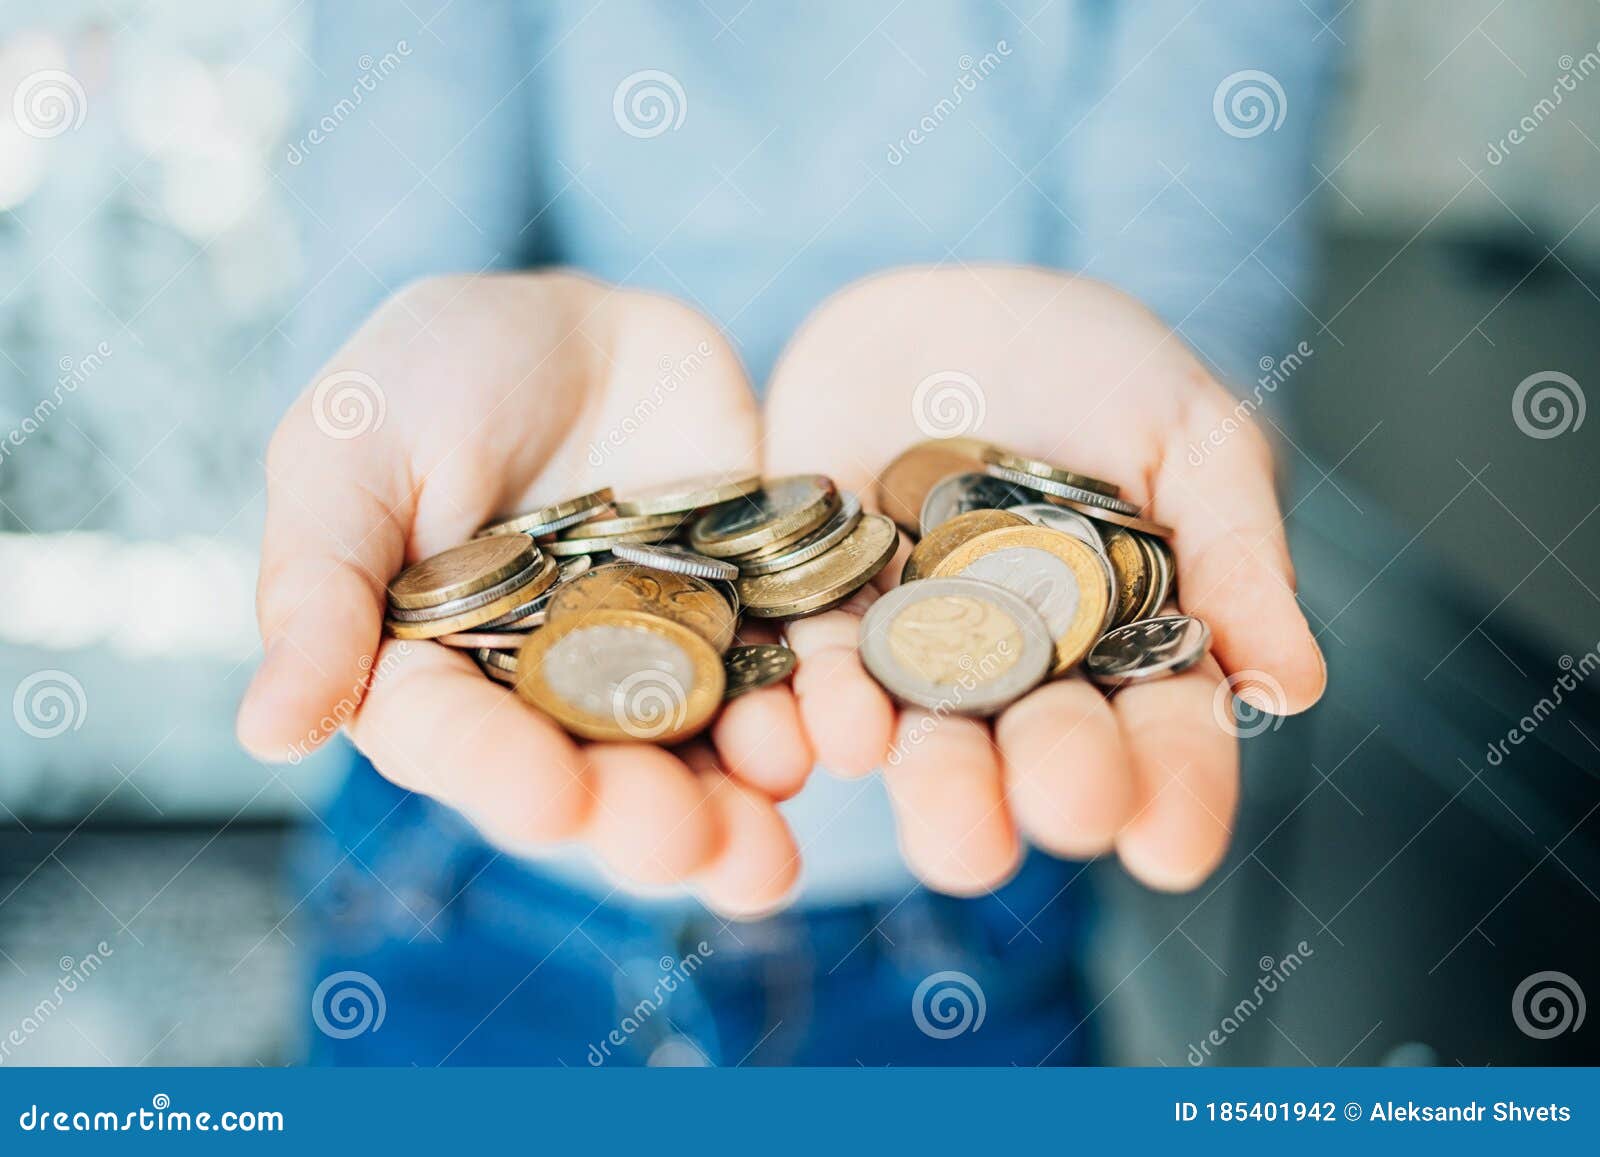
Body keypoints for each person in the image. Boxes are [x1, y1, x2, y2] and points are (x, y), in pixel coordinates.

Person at [237, 1, 1333, 1065]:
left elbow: (1192, 252)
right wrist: (392, 370)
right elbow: (391, 208)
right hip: (463, 881)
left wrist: (1169, 395)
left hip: (958, 916)